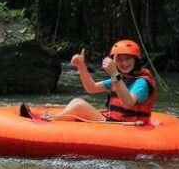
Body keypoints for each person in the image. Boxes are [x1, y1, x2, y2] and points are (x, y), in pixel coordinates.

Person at [23, 39, 156, 123]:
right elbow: (91, 88)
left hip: (127, 126)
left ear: (136, 61)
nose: (124, 63)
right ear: (114, 61)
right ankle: (53, 118)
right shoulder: (121, 79)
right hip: (116, 121)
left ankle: (46, 121)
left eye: (128, 59)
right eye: (120, 59)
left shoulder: (141, 83)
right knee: (77, 101)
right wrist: (81, 66)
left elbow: (128, 103)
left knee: (79, 106)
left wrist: (115, 74)